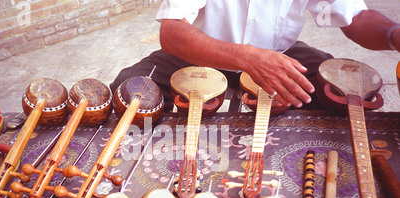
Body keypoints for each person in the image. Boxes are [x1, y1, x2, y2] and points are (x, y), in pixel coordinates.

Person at [110, 0, 400, 111]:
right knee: (129, 90)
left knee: (341, 93)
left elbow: (356, 17)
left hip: (277, 55)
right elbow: (172, 32)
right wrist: (247, 58)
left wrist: (394, 34)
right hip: (201, 54)